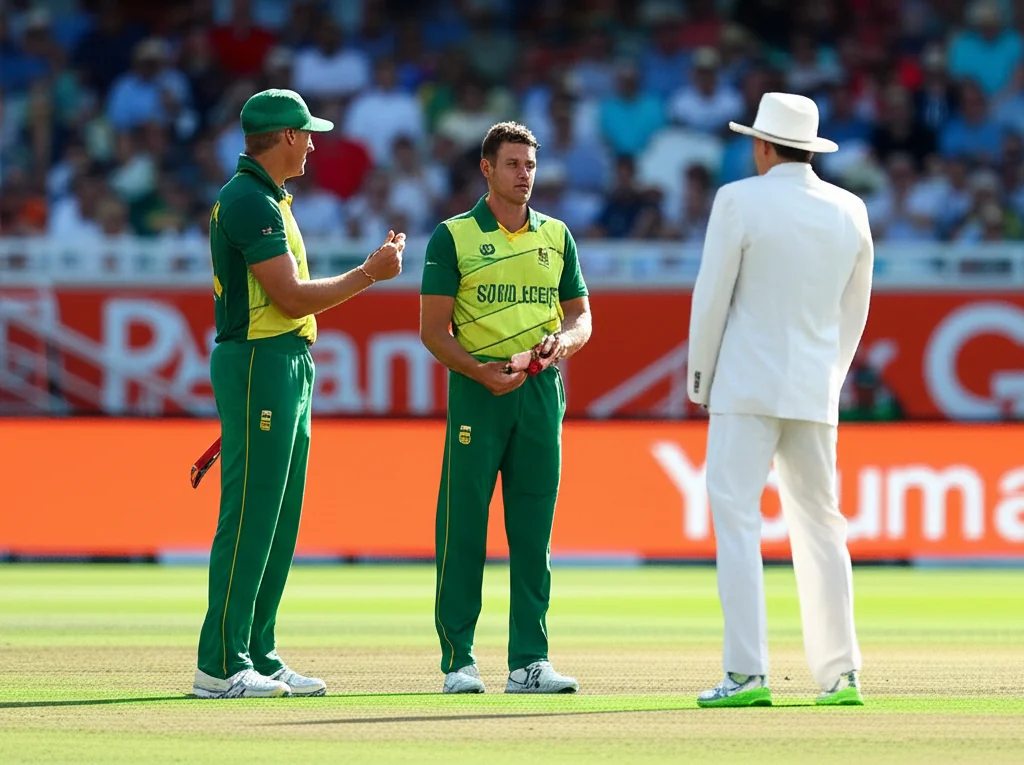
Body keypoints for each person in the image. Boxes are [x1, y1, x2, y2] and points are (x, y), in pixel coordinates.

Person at [192, 88, 405, 699]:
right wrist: (368, 275)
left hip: (283, 360)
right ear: (285, 137)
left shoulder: (266, 197)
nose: (314, 143)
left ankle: (256, 650)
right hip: (261, 359)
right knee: (253, 513)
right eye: (307, 133)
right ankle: (221, 663)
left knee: (280, 517)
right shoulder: (248, 200)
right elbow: (288, 296)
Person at [687, 92, 874, 708]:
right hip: (813, 388)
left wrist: (700, 379)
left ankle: (746, 674)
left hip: (745, 385)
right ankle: (841, 675)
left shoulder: (738, 199)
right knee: (823, 526)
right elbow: (856, 310)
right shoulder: (850, 209)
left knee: (738, 522)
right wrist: (830, 374)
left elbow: (712, 295)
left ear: (764, 145)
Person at [419, 121, 592, 694]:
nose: (525, 175)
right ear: (487, 169)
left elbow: (580, 317)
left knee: (533, 530)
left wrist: (561, 344)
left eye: (531, 165)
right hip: (478, 389)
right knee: (464, 528)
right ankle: (458, 661)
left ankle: (529, 662)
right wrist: (480, 373)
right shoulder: (453, 236)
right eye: (514, 164)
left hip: (541, 390)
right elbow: (432, 331)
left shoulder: (557, 236)